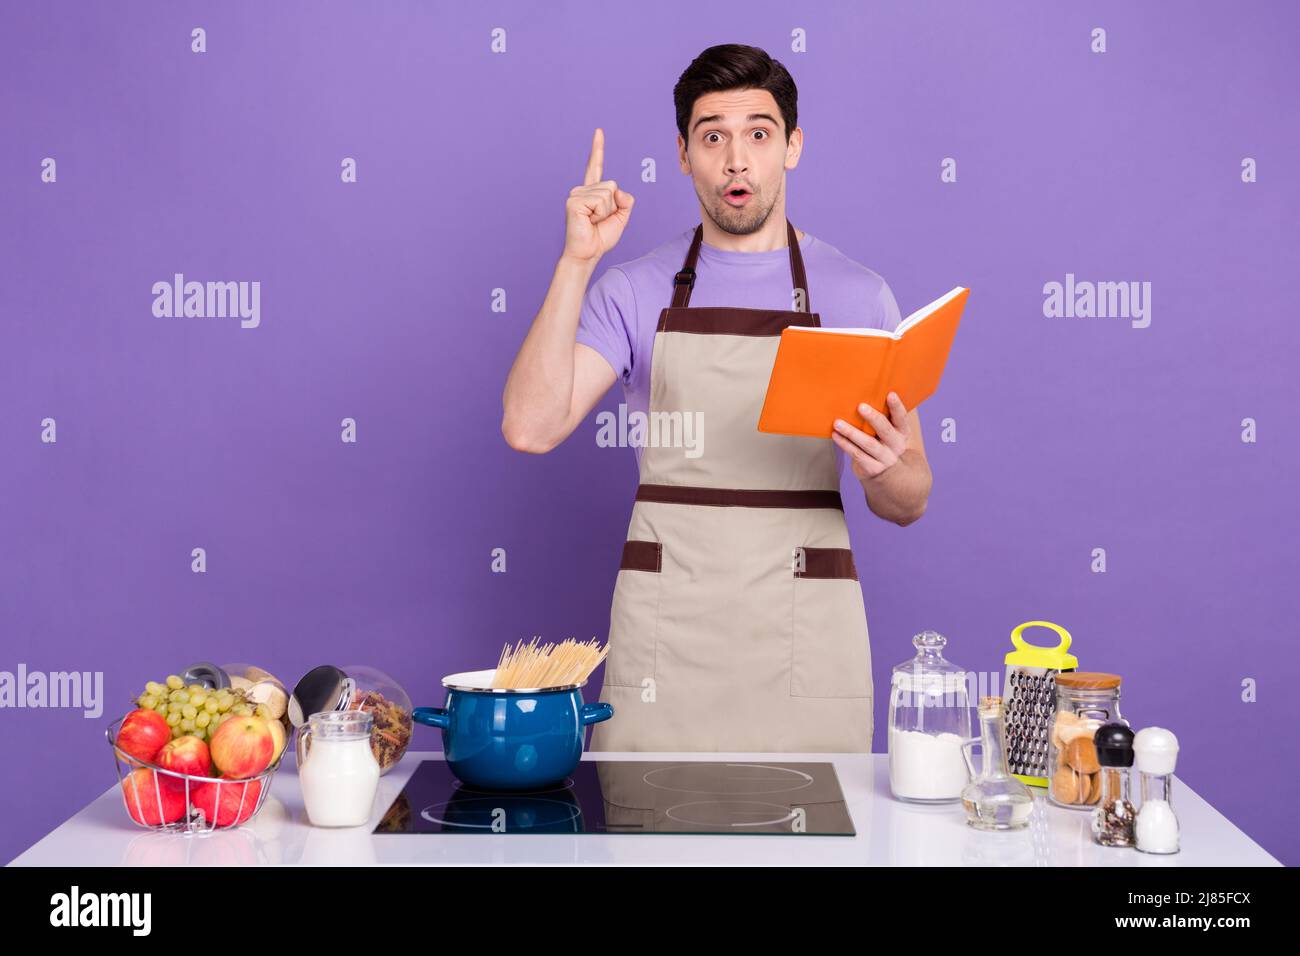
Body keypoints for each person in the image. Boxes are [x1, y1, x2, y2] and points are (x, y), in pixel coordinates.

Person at [501, 44, 932, 753]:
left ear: (792, 146)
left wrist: (887, 468)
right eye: (713, 137)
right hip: (667, 640)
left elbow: (909, 500)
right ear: (683, 154)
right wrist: (576, 264)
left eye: (759, 134)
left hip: (806, 632)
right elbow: (530, 426)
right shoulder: (633, 290)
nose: (737, 160)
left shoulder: (859, 296)